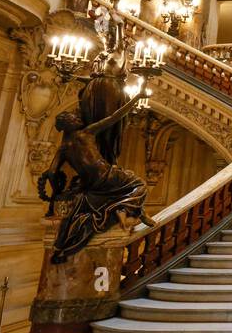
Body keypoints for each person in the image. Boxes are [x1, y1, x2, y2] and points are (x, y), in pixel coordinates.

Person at [38, 87, 155, 263]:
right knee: (140, 184)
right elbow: (114, 117)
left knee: (118, 190)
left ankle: (130, 208)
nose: (78, 118)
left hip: (91, 184)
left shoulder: (63, 149)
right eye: (73, 117)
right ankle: (124, 208)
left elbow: (53, 172)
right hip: (107, 174)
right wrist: (137, 97)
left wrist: (57, 192)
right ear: (68, 124)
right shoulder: (87, 133)